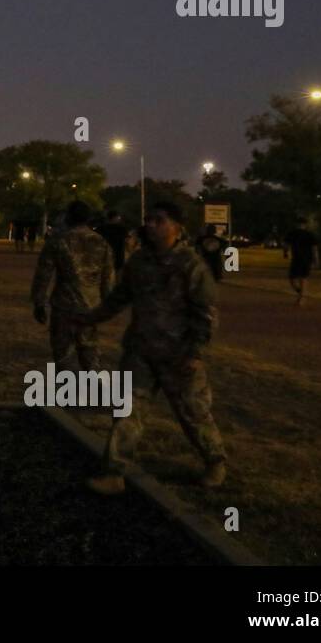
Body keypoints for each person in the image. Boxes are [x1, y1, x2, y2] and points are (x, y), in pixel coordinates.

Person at [73, 201, 227, 494]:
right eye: (148, 220)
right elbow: (119, 298)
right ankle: (114, 472)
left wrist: (196, 353)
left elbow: (206, 313)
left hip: (178, 354)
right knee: (127, 412)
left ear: (176, 226)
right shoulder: (139, 261)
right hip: (140, 351)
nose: (150, 225)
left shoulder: (191, 265)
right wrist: (90, 318)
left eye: (158, 220)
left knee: (193, 412)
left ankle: (215, 462)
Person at [30, 200, 114, 370]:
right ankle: (94, 391)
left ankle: (69, 393)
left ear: (68, 217)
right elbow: (108, 277)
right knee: (89, 352)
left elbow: (44, 274)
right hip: (91, 306)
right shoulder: (101, 242)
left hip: (64, 306)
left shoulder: (58, 241)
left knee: (63, 355)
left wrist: (39, 302)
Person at [282, 216, 319, 307]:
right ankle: (302, 294)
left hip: (298, 258)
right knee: (303, 277)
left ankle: (301, 295)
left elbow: (286, 244)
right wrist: (316, 260)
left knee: (293, 278)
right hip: (306, 258)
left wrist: (285, 253)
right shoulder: (309, 234)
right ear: (305, 225)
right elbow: (314, 249)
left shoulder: (292, 233)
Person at [96, 210, 128, 278]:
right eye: (118, 217)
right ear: (115, 217)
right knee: (118, 277)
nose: (119, 218)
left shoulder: (101, 228)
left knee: (105, 277)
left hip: (104, 256)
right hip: (118, 256)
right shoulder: (122, 228)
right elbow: (127, 242)